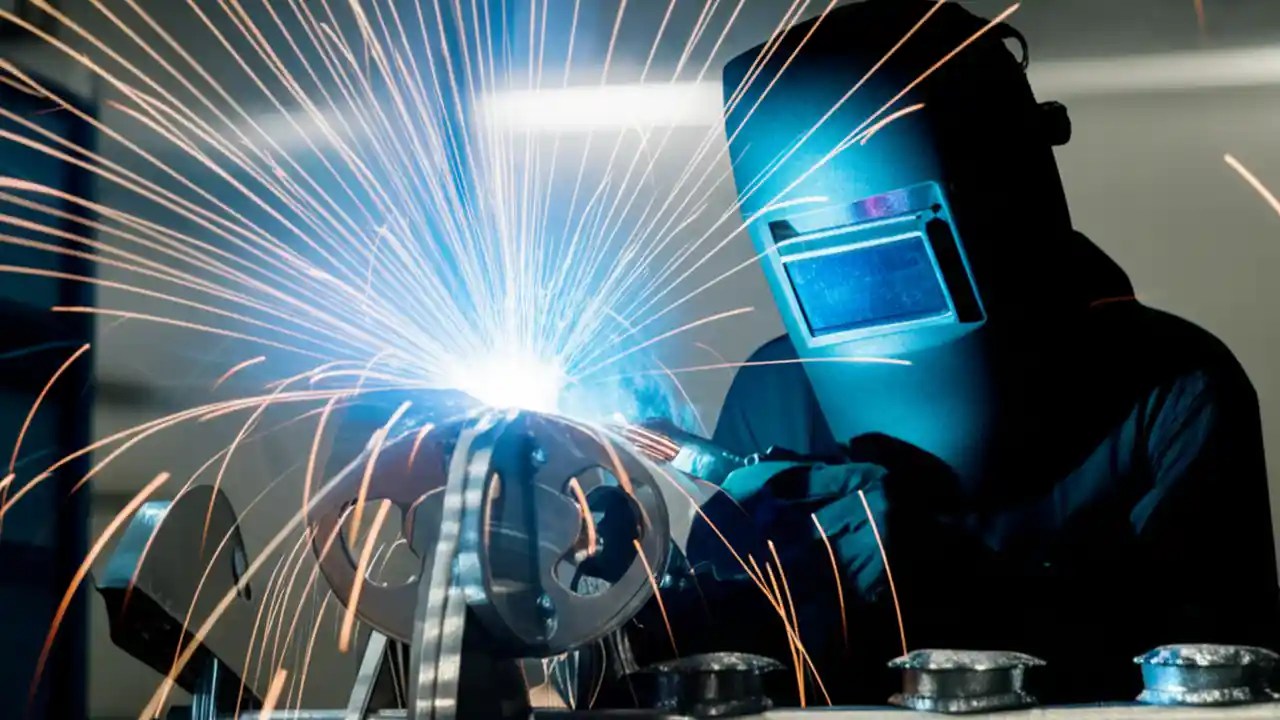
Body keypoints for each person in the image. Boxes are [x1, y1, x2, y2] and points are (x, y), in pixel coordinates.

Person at [624, 0, 1280, 705]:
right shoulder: (777, 389)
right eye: (831, 272)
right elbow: (728, 670)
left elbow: (1219, 683)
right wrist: (631, 605)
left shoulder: (1171, 390)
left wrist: (949, 580)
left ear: (999, 206)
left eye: (900, 259)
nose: (875, 304)